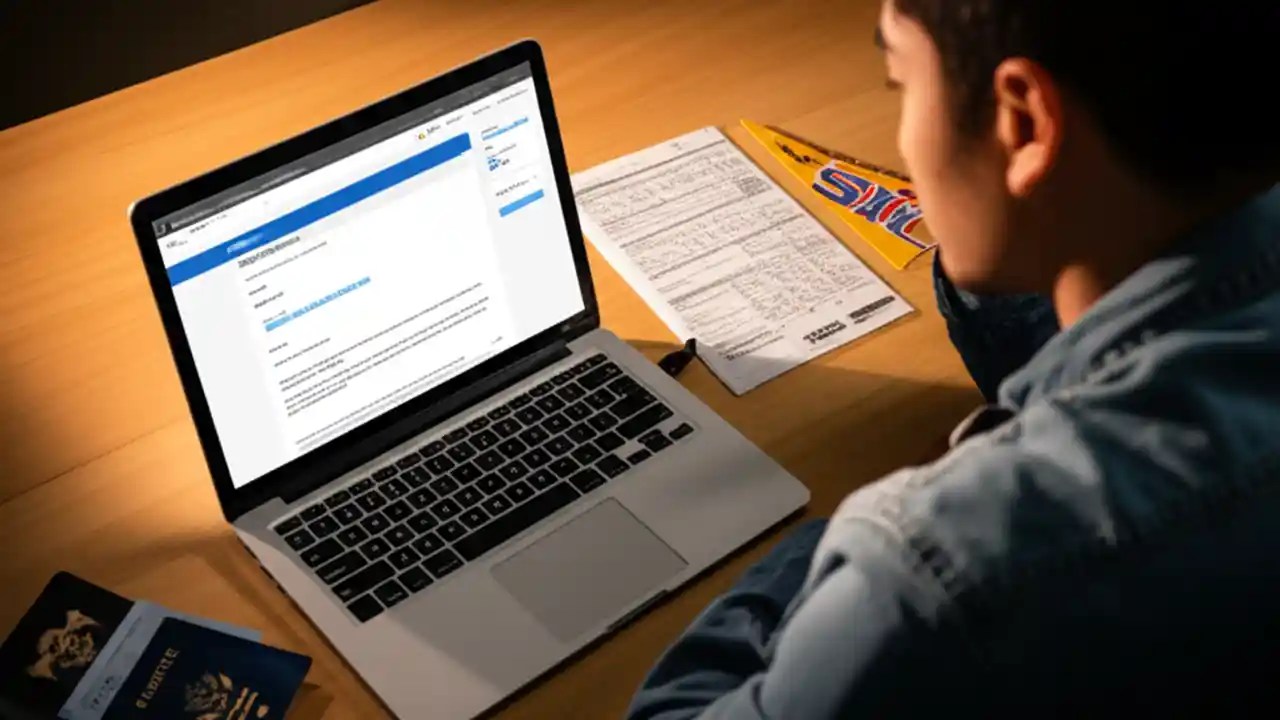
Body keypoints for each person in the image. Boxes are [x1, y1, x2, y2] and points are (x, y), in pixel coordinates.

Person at [626, 1, 1280, 716]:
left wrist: (848, 538)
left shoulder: (939, 579)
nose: (905, 143)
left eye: (898, 82)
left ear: (1025, 123)